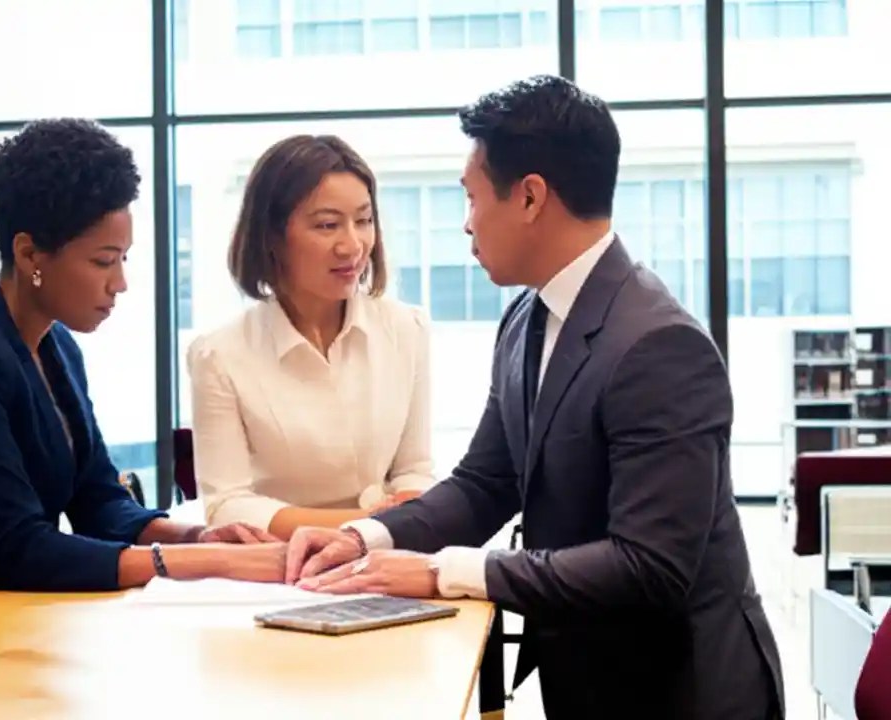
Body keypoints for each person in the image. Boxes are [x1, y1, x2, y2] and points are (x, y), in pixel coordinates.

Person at [284, 77, 784, 719]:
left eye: (471, 198)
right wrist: (366, 537)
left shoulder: (660, 345)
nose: (466, 224)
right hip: (591, 680)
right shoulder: (527, 316)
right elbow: (484, 483)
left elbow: (649, 567)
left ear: (529, 197)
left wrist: (447, 573)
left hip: (683, 692)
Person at [0, 118, 284, 636]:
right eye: (103, 261)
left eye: (122, 259)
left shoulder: (55, 346)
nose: (120, 283)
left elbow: (98, 499)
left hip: (12, 624)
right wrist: (195, 564)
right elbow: (18, 548)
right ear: (30, 254)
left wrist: (199, 540)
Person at [186, 134, 436, 541]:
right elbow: (227, 505)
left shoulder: (407, 329)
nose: (352, 245)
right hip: (281, 566)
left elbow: (415, 470)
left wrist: (403, 514)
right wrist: (363, 525)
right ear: (271, 235)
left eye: (364, 220)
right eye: (327, 225)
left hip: (389, 555)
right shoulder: (219, 354)